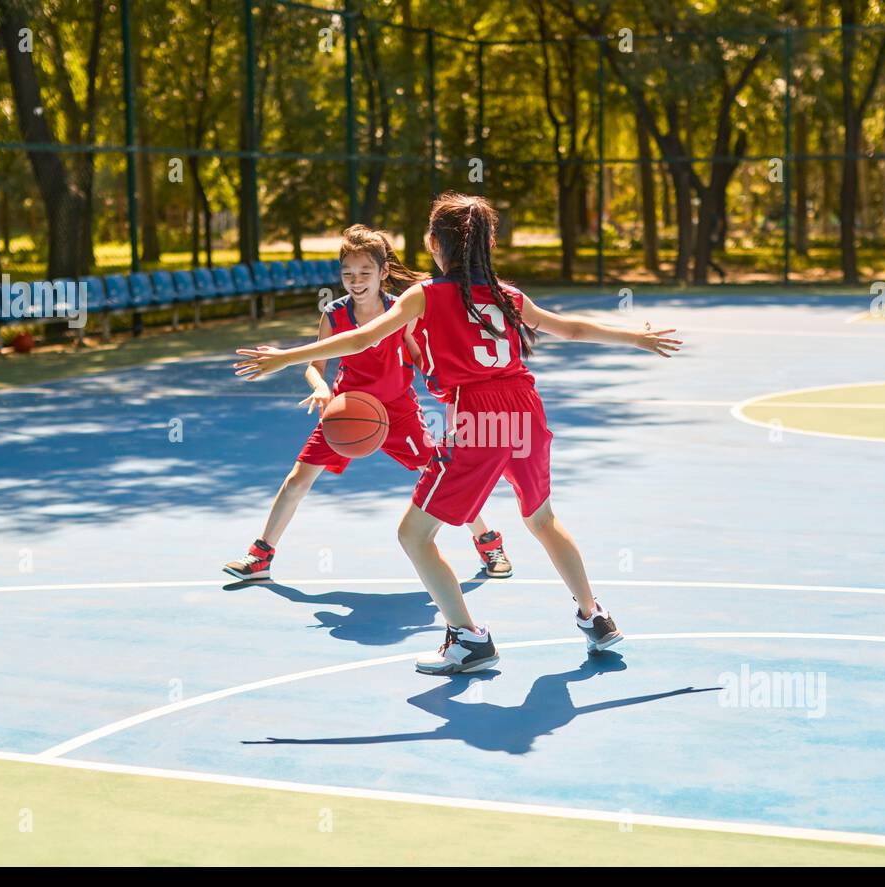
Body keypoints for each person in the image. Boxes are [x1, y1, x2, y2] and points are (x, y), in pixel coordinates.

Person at [235, 195, 679, 674]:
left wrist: (285, 356)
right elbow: (568, 329)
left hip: (478, 418)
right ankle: (595, 617)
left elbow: (364, 339)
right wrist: (635, 337)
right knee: (543, 519)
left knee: (414, 534)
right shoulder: (506, 294)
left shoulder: (425, 294)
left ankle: (469, 639)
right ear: (488, 244)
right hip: (526, 409)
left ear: (432, 243)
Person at [223, 225, 513, 583]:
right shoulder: (333, 314)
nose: (355, 281)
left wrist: (451, 389)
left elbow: (421, 357)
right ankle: (260, 556)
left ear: (383, 273)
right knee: (297, 480)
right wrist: (320, 389)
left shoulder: (399, 311)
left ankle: (489, 543)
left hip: (399, 410)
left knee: (442, 477)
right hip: (348, 410)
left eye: (364, 273)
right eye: (347, 274)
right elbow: (316, 368)